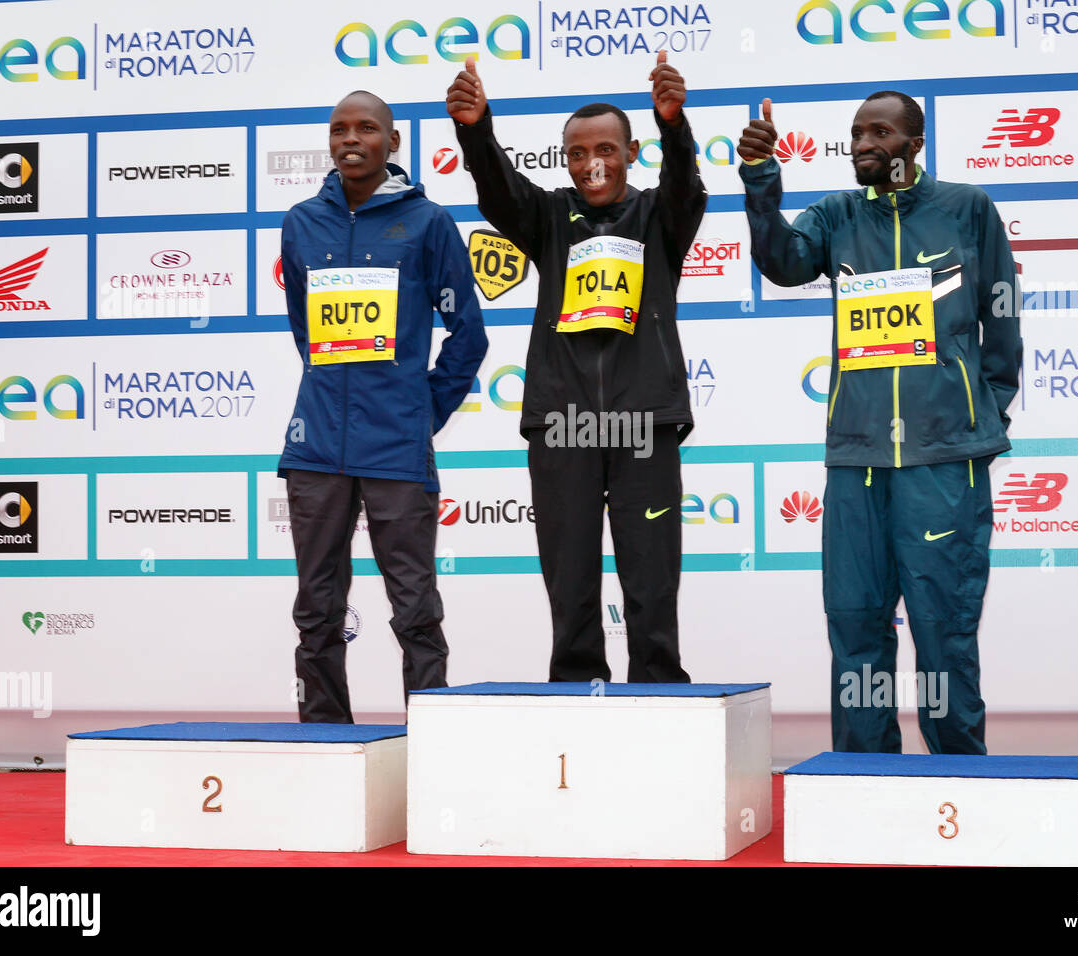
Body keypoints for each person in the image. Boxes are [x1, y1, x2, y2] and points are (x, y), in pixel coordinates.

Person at [738, 92, 1021, 754]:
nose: (864, 143)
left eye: (880, 132)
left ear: (914, 144)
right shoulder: (835, 215)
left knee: (943, 629)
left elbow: (1001, 323)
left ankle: (961, 779)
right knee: (856, 626)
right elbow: (782, 262)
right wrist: (760, 178)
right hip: (857, 462)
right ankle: (860, 784)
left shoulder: (966, 210)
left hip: (942, 462)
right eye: (857, 133)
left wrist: (978, 415)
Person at [446, 52, 705, 683]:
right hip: (562, 424)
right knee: (570, 577)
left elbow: (685, 189)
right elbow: (499, 194)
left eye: (608, 149)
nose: (593, 162)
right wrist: (475, 132)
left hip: (644, 419)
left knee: (651, 574)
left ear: (631, 151)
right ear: (564, 159)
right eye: (578, 151)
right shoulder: (548, 217)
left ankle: (660, 689)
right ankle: (576, 690)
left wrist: (675, 128)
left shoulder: (659, 217)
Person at [278, 90, 487, 722]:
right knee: (316, 606)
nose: (351, 139)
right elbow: (304, 331)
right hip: (316, 442)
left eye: (366, 128)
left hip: (396, 444)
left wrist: (423, 410)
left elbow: (467, 334)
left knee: (415, 606)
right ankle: (324, 742)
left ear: (391, 143)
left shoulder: (429, 223)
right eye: (339, 128)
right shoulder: (300, 223)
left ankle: (430, 743)